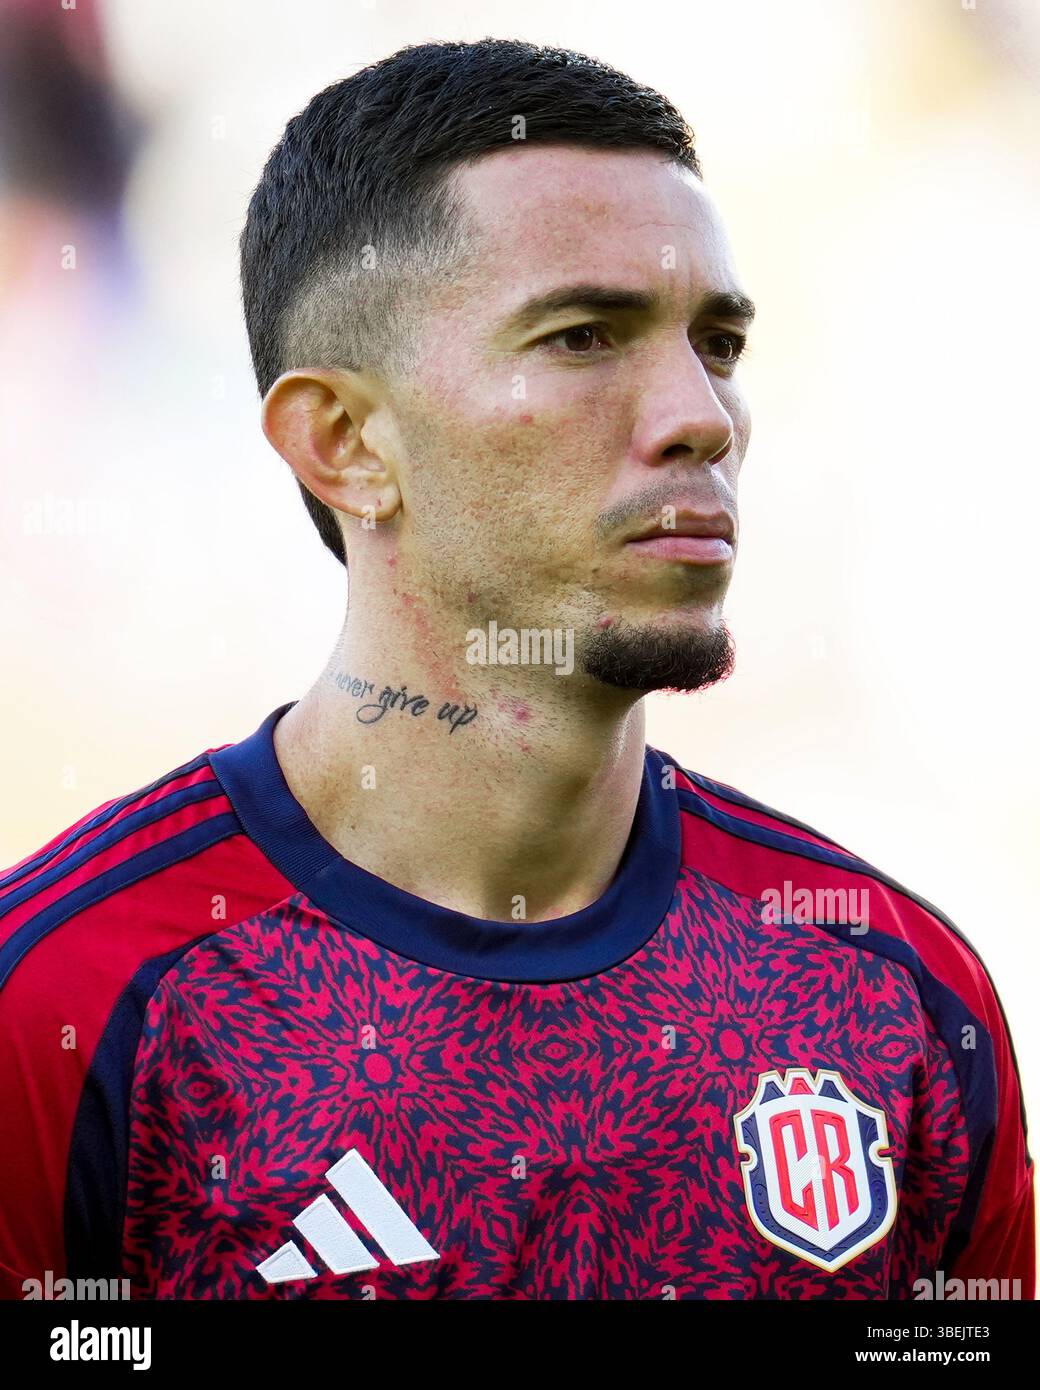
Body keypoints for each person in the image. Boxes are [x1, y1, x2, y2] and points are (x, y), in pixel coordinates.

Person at [0, 38, 1032, 1301]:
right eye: (585, 335)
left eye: (718, 342)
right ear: (343, 442)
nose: (701, 414)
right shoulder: (67, 1001)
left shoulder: (894, 998)